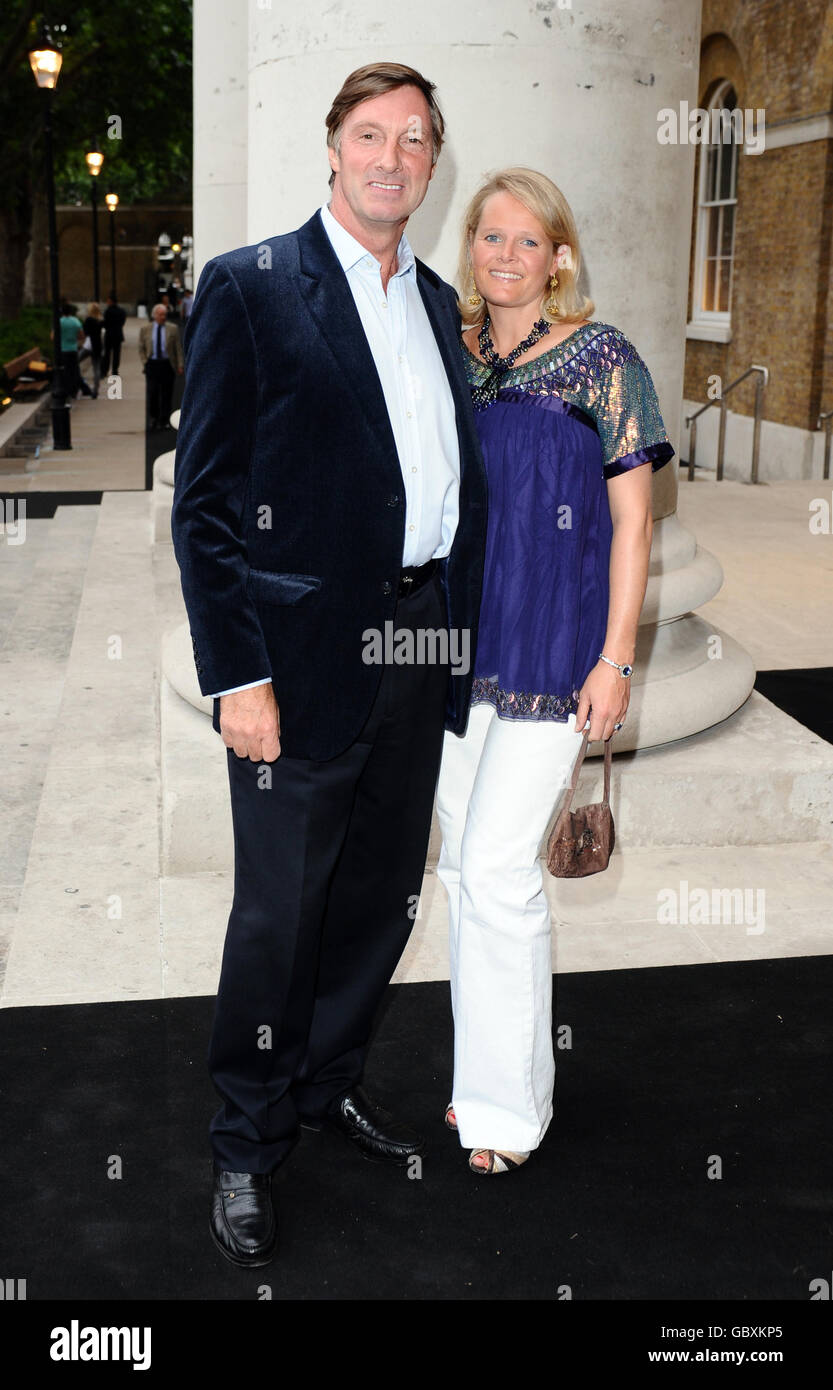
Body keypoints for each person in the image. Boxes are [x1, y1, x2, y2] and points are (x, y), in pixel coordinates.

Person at [171, 62, 487, 1269]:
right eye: (371, 134)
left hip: (415, 640)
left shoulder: (434, 299)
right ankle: (246, 1144)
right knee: (277, 918)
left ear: (431, 162)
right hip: (297, 663)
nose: (391, 157)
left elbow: (444, 483)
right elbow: (203, 508)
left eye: (414, 139)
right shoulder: (252, 288)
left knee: (378, 895)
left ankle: (323, 1085)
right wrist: (235, 674)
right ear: (333, 147)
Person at [437, 168, 674, 1176]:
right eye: (488, 237)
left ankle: (508, 1110)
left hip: (551, 647)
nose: (503, 255)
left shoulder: (604, 359)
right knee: (456, 866)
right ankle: (483, 1080)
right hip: (452, 648)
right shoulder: (449, 353)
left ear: (558, 255)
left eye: (525, 241)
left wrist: (615, 658)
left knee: (496, 866)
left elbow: (632, 521)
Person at [139, 303, 183, 428]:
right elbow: (141, 347)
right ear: (154, 315)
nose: (163, 317)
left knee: (167, 393)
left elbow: (178, 348)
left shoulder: (173, 328)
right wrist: (145, 362)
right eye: (160, 314)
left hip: (167, 364)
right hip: (152, 364)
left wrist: (180, 364)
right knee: (152, 392)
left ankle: (165, 420)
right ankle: (153, 417)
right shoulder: (145, 329)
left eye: (164, 314)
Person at [58, 303, 93, 398]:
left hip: (63, 349)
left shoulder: (59, 322)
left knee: (65, 371)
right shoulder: (75, 321)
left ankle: (67, 390)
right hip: (73, 349)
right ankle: (78, 389)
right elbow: (81, 336)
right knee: (75, 371)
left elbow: (53, 337)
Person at [79, 302, 104, 398]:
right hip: (98, 344)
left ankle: (81, 383)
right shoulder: (100, 320)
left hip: (89, 344)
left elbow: (85, 332)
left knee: (75, 362)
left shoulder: (89, 319)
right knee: (96, 368)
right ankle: (95, 390)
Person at [102, 293, 126, 377]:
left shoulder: (107, 311)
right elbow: (123, 322)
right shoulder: (122, 311)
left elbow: (104, 323)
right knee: (116, 354)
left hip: (109, 334)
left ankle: (105, 370)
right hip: (118, 334)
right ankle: (115, 370)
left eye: (108, 301)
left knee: (107, 354)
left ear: (111, 302)